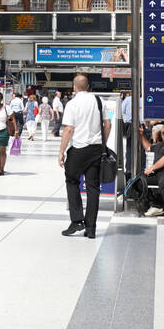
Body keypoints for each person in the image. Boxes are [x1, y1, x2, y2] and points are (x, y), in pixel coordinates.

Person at [58, 74, 111, 239]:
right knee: (93, 188)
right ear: (88, 87)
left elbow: (68, 130)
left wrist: (61, 151)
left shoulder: (72, 104)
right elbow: (107, 124)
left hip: (79, 149)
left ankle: (76, 220)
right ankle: (91, 228)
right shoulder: (99, 101)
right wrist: (103, 143)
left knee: (71, 180)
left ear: (74, 87)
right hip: (96, 149)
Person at [141, 123, 164, 218]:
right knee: (138, 181)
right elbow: (148, 147)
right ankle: (157, 205)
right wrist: (141, 135)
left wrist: (151, 168)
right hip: (156, 174)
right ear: (161, 135)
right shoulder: (158, 145)